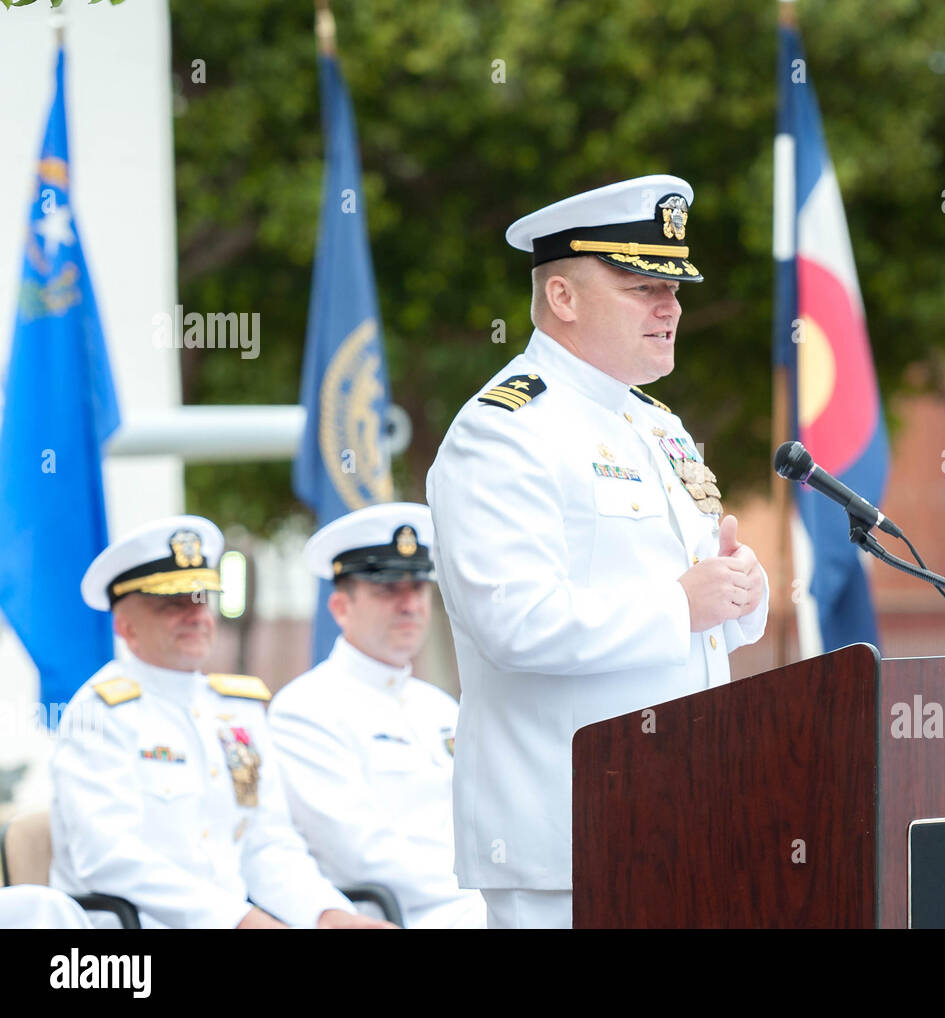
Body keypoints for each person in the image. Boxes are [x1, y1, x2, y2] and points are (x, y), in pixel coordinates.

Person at [427, 175, 769, 929]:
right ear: (564, 299)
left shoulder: (655, 423)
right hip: (569, 836)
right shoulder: (504, 430)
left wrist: (742, 590)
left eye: (674, 288)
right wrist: (682, 605)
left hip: (684, 815)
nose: (670, 306)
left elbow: (702, 600)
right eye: (643, 285)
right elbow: (513, 622)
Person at [50, 515, 391, 930]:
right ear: (126, 627)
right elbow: (107, 858)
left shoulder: (236, 711)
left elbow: (266, 844)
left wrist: (329, 914)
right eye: (171, 604)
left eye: (200, 598)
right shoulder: (99, 715)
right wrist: (240, 919)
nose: (195, 615)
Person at [268, 503, 486, 929]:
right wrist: (487, 890)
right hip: (402, 917)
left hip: (474, 907)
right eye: (388, 589)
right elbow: (359, 852)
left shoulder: (439, 707)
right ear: (340, 607)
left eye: (418, 588)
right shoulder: (304, 709)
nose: (409, 605)